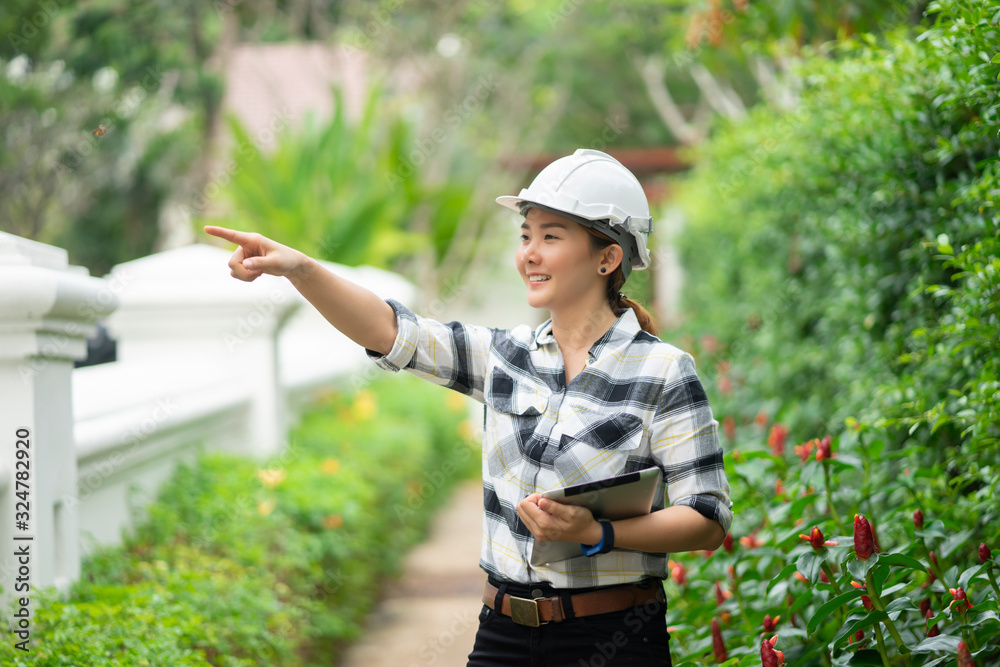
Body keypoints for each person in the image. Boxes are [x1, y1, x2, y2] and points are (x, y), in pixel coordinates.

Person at [205, 148, 733, 666]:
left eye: (551, 236)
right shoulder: (505, 356)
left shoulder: (663, 371)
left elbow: (707, 518)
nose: (530, 252)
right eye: (526, 235)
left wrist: (596, 533)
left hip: (613, 635)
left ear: (608, 256)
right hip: (503, 634)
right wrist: (300, 269)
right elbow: (393, 332)